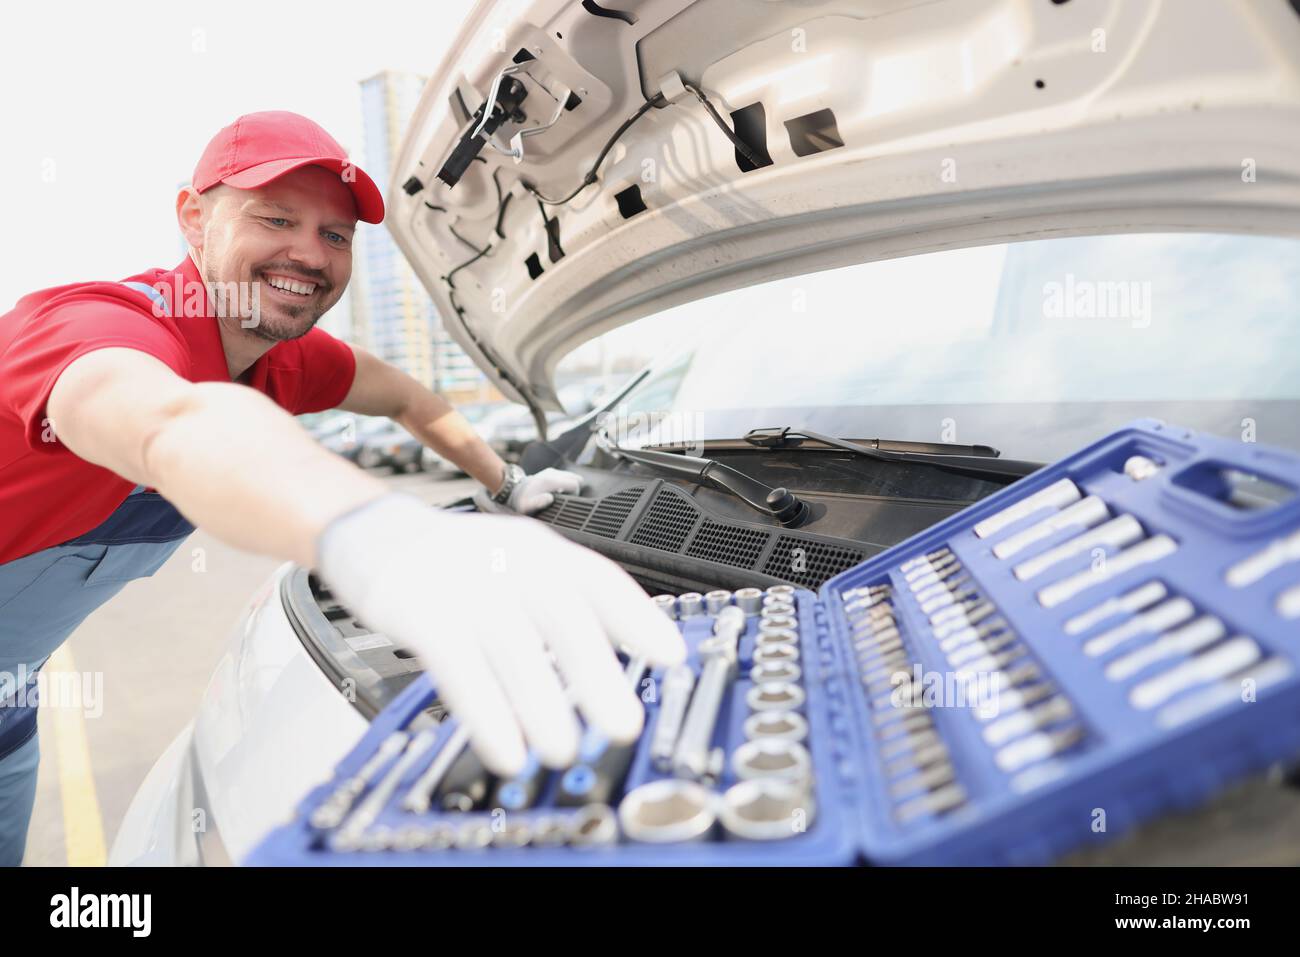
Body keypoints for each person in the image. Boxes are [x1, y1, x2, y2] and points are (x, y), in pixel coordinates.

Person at [0, 111, 685, 865]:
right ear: (194, 218)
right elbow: (168, 421)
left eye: (335, 235)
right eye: (277, 217)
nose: (309, 254)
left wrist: (507, 482)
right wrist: (374, 533)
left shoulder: (283, 362)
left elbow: (409, 399)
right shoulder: (97, 327)